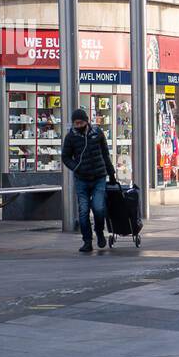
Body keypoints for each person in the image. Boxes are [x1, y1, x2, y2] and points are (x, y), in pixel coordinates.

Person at [62, 108, 116, 254]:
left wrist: (111, 174)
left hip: (99, 177)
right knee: (83, 211)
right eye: (75, 123)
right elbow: (65, 156)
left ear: (87, 121)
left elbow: (105, 154)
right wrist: (75, 167)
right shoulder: (70, 137)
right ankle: (87, 241)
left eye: (80, 123)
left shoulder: (97, 133)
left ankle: (99, 231)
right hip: (82, 179)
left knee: (98, 208)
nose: (78, 126)